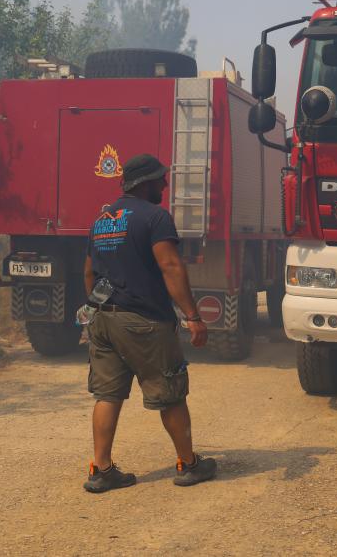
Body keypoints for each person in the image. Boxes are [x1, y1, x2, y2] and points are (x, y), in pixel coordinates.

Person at [82, 153, 217, 493]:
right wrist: (193, 316)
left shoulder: (102, 220)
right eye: (160, 179)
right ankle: (188, 464)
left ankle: (101, 469)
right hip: (143, 320)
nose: (165, 184)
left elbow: (88, 272)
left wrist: (95, 312)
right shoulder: (155, 217)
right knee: (170, 392)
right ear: (145, 183)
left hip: (102, 318)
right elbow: (170, 266)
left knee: (107, 394)